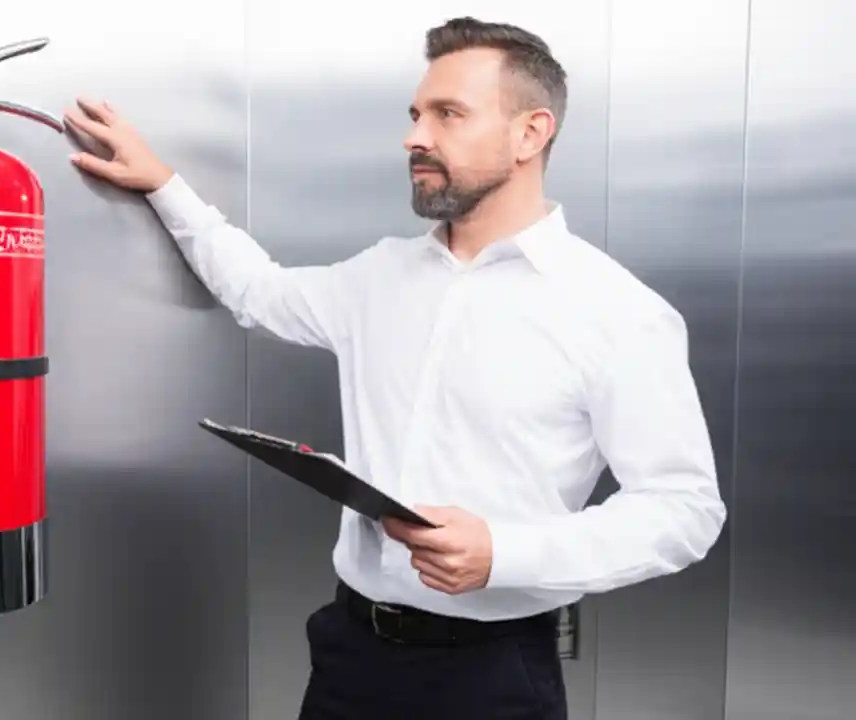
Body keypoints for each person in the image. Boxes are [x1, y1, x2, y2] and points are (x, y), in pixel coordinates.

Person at [65, 15, 726, 720]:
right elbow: (257, 291)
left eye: (449, 115)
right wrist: (164, 184)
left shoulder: (618, 311)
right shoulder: (379, 276)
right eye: (416, 114)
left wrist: (506, 553)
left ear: (530, 134)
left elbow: (684, 508)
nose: (415, 136)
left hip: (495, 677)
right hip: (352, 655)